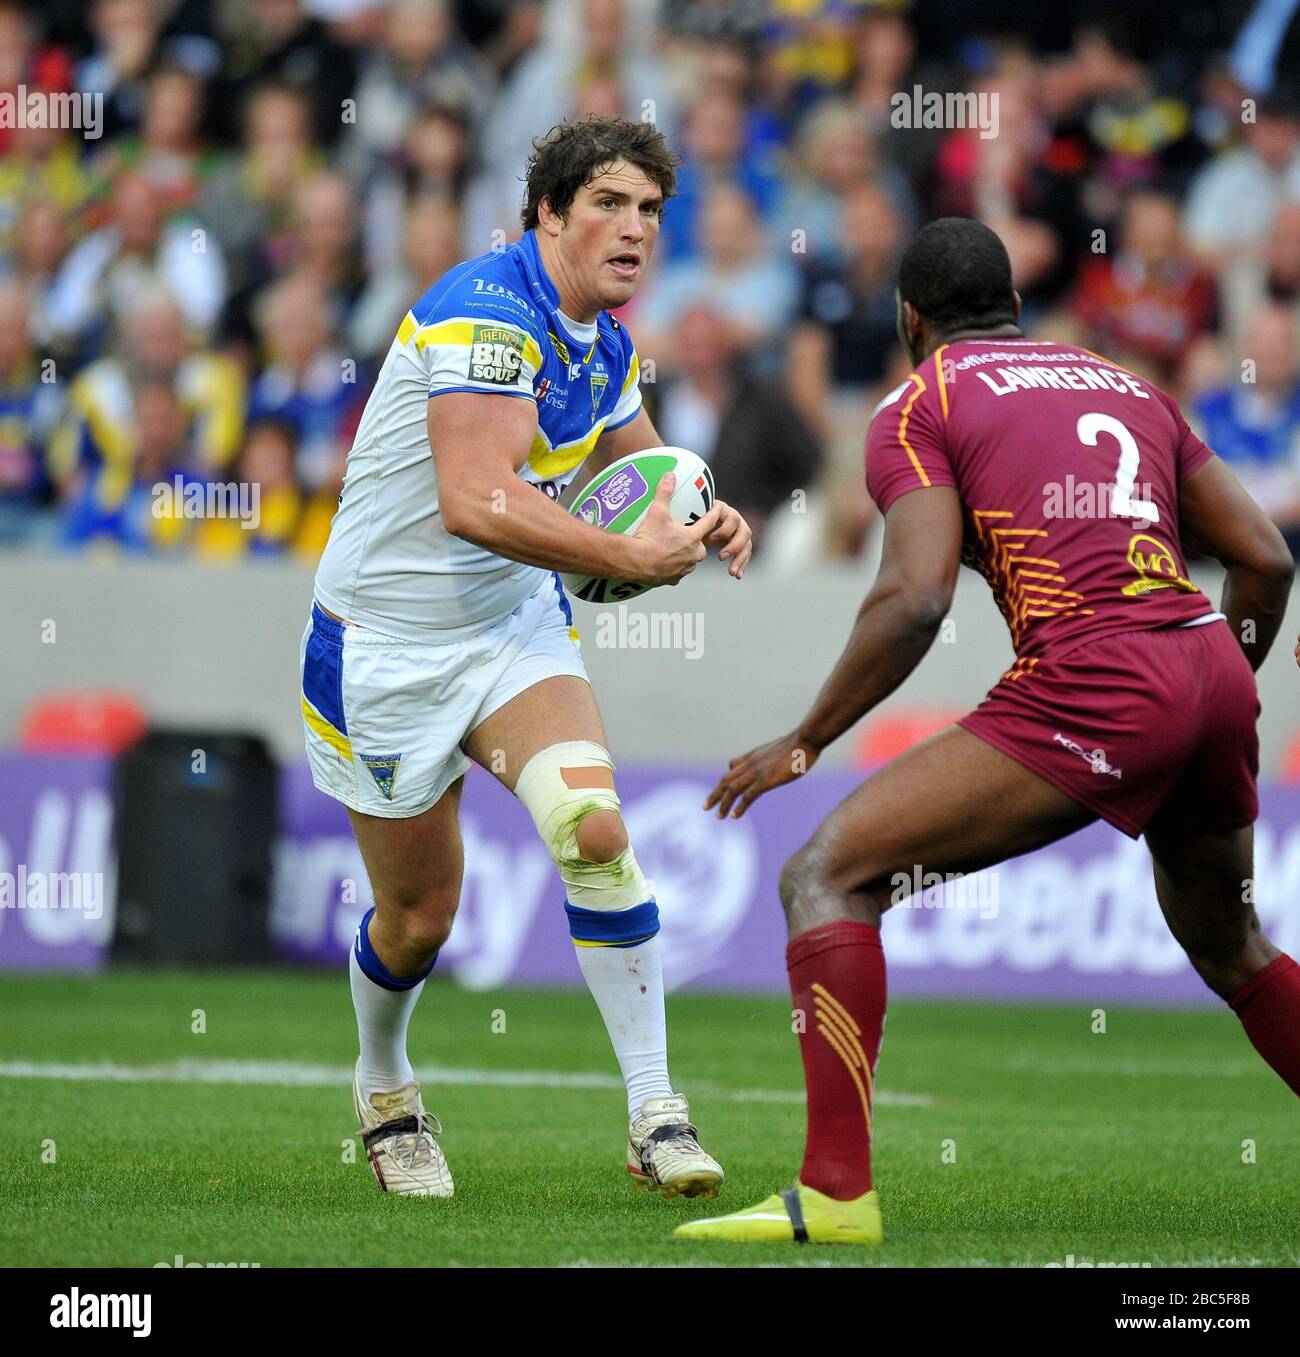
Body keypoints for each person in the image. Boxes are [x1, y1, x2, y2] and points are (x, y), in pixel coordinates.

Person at [680, 217, 1298, 1246]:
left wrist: (807, 737)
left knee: (824, 874)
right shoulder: (1122, 384)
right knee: (1231, 945)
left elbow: (911, 600)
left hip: (1096, 679)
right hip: (1206, 661)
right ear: (1012, 307)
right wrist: (1226, 672)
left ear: (908, 319)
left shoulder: (920, 402)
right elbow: (1267, 560)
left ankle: (833, 1194)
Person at [303, 116, 752, 1200]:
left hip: (511, 629)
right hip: (381, 648)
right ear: (546, 215)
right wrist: (623, 555)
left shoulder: (603, 341)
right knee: (420, 919)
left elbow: (626, 446)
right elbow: (474, 499)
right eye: (605, 202)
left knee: (595, 831)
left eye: (648, 209)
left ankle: (655, 1111)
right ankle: (385, 1085)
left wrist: (694, 507)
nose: (633, 228)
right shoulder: (482, 314)